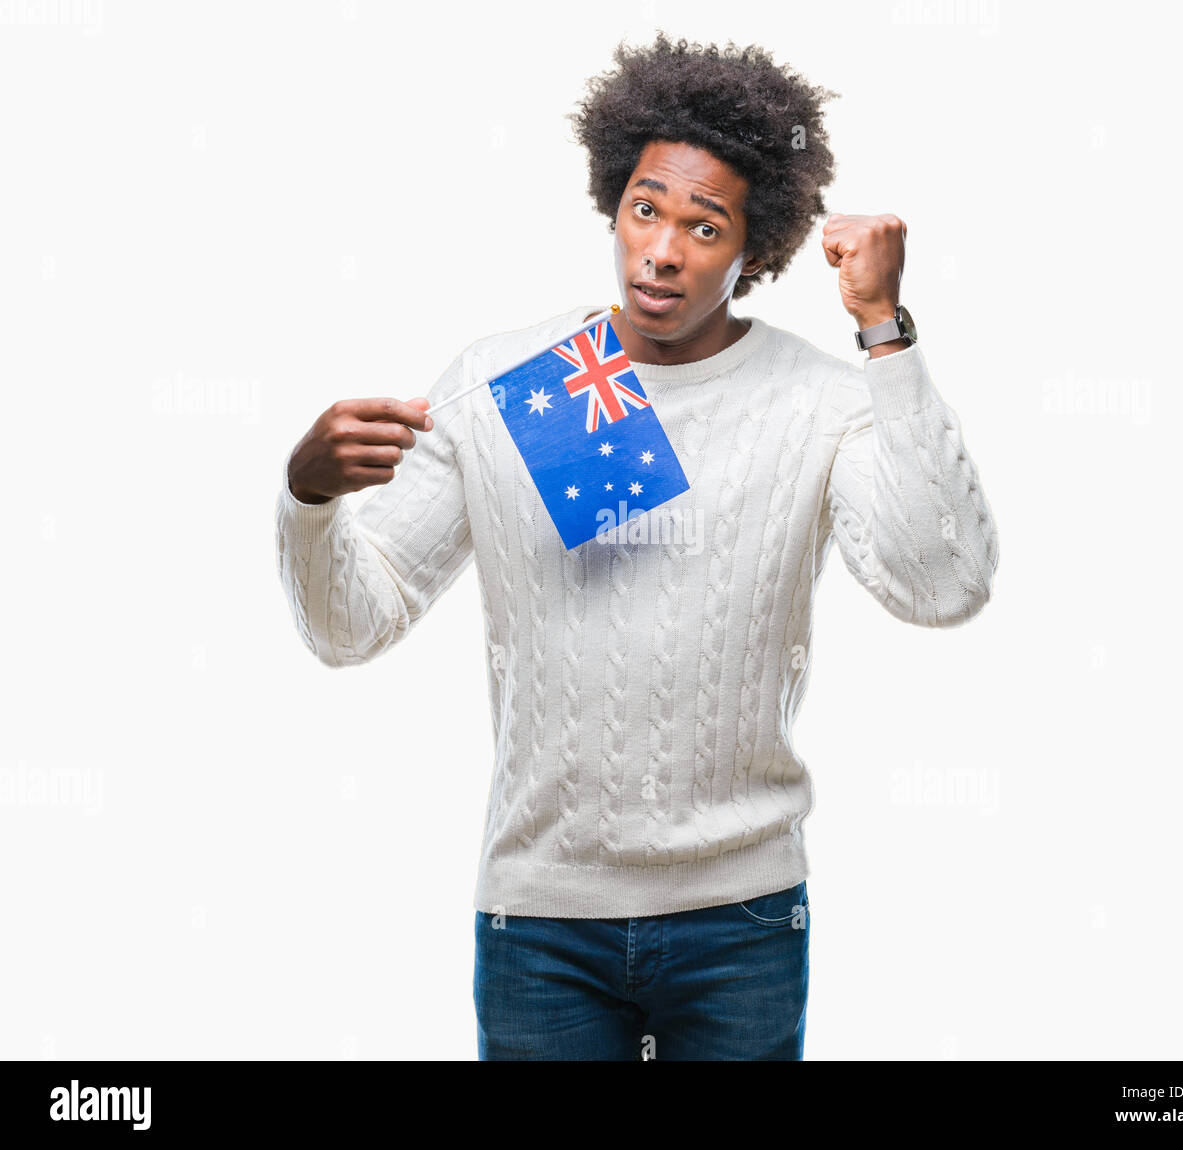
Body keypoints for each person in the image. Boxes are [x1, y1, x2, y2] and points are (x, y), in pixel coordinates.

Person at [273, 32, 999, 1060]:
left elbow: (947, 583)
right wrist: (308, 497)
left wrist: (883, 328)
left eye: (705, 226)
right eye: (645, 208)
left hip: (741, 916)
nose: (662, 249)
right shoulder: (510, 382)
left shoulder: (817, 404)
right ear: (613, 202)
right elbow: (351, 627)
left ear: (757, 249)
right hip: (541, 921)